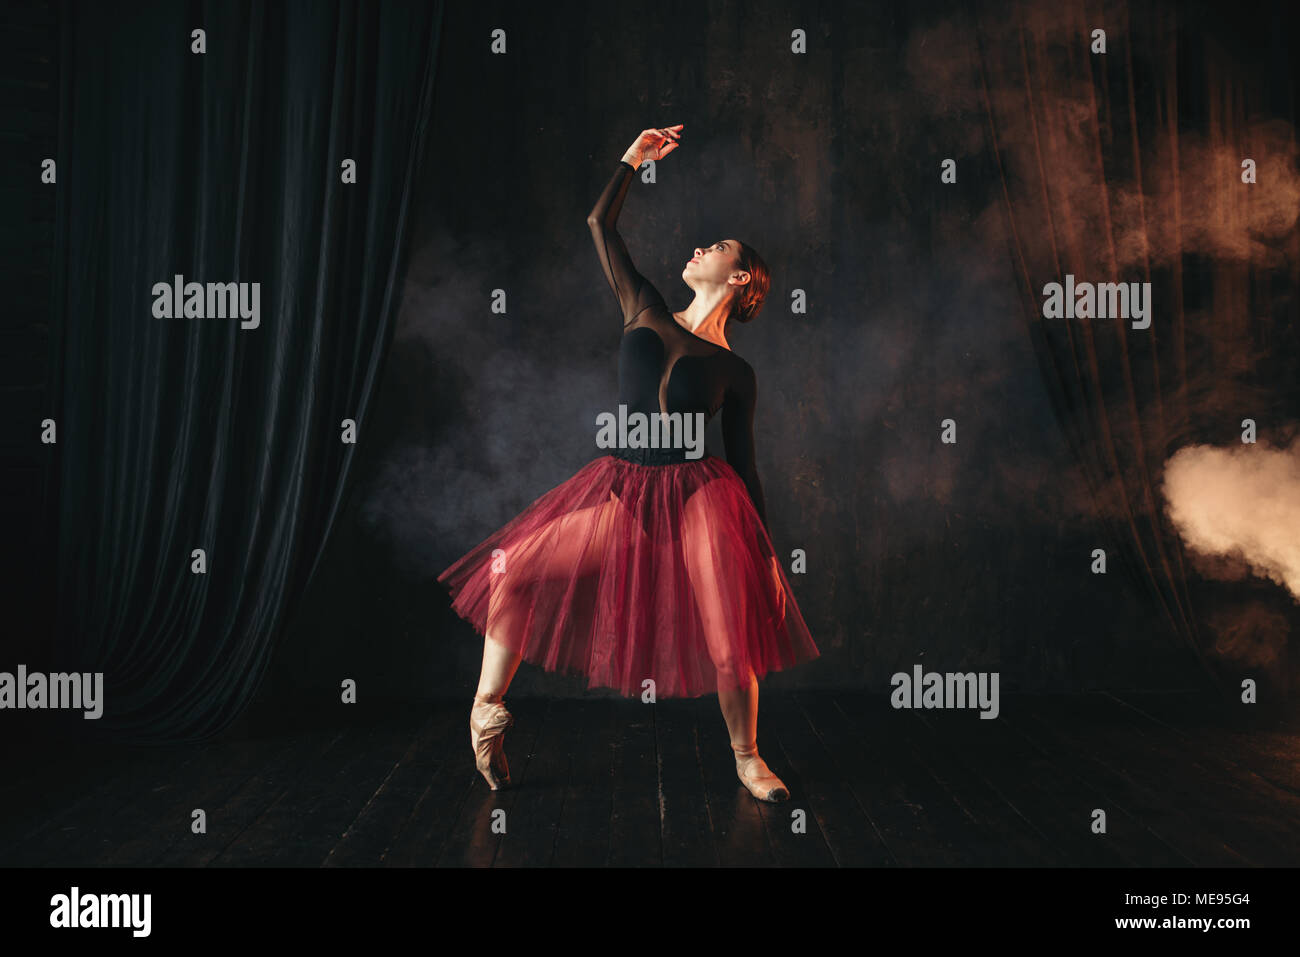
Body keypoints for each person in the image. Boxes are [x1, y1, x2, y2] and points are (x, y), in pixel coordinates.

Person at [437, 124, 820, 803]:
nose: (698, 247)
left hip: (702, 494)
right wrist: (633, 159)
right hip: (622, 488)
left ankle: (747, 757)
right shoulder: (641, 303)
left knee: (729, 634)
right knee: (514, 574)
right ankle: (485, 710)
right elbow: (598, 223)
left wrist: (766, 555)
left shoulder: (735, 369)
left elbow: (747, 465)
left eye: (716, 247)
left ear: (737, 276)